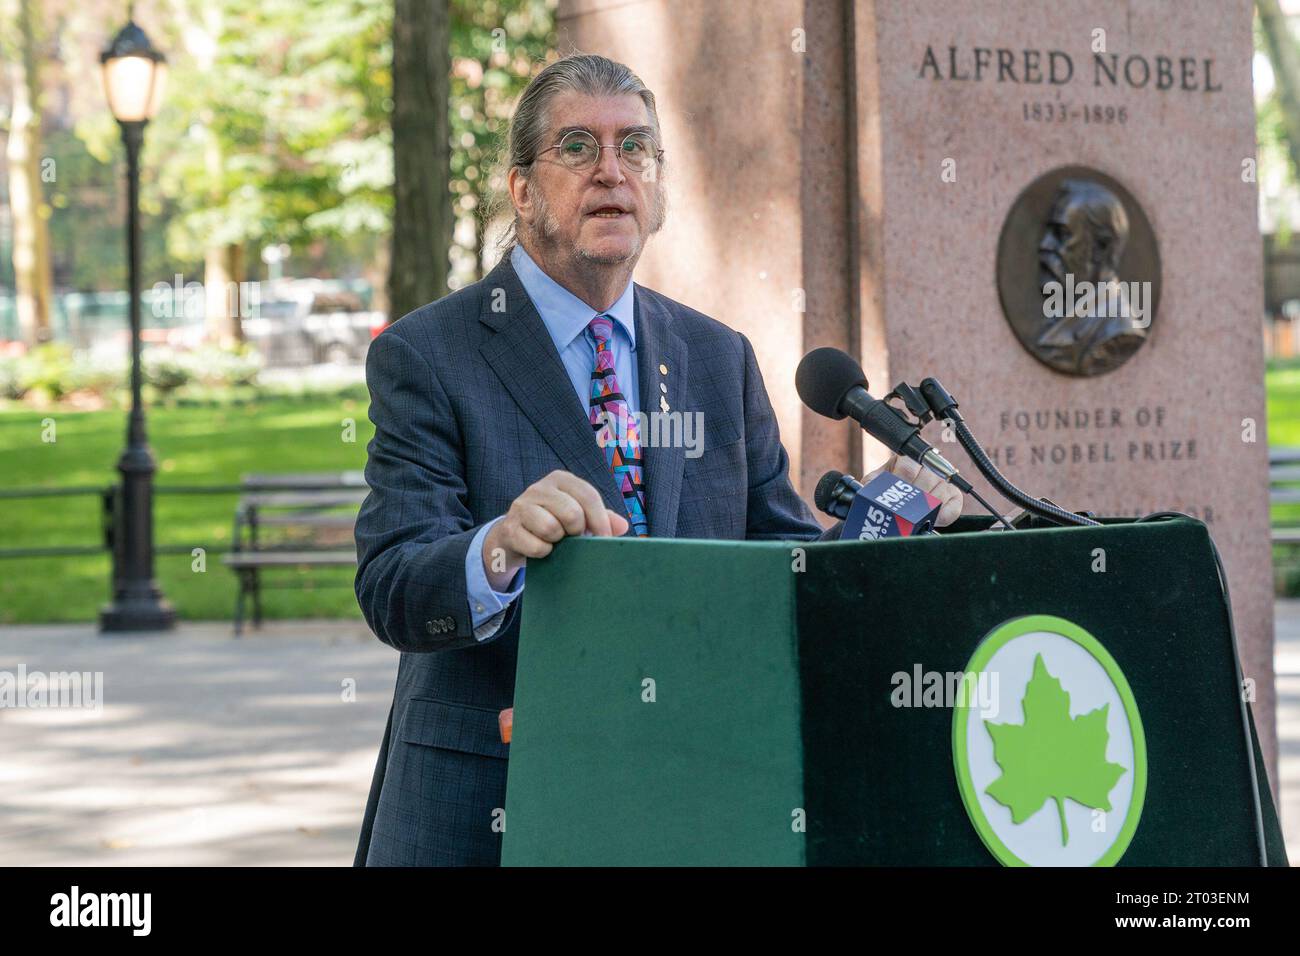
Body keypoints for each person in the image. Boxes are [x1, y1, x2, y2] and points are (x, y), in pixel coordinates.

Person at [353, 53, 963, 866]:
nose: (612, 170)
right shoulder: (431, 353)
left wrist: (884, 529)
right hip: (494, 801)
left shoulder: (716, 356)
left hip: (693, 788)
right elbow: (393, 586)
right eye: (578, 147)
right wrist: (497, 546)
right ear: (522, 190)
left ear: (660, 188)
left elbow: (779, 563)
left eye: (635, 148)